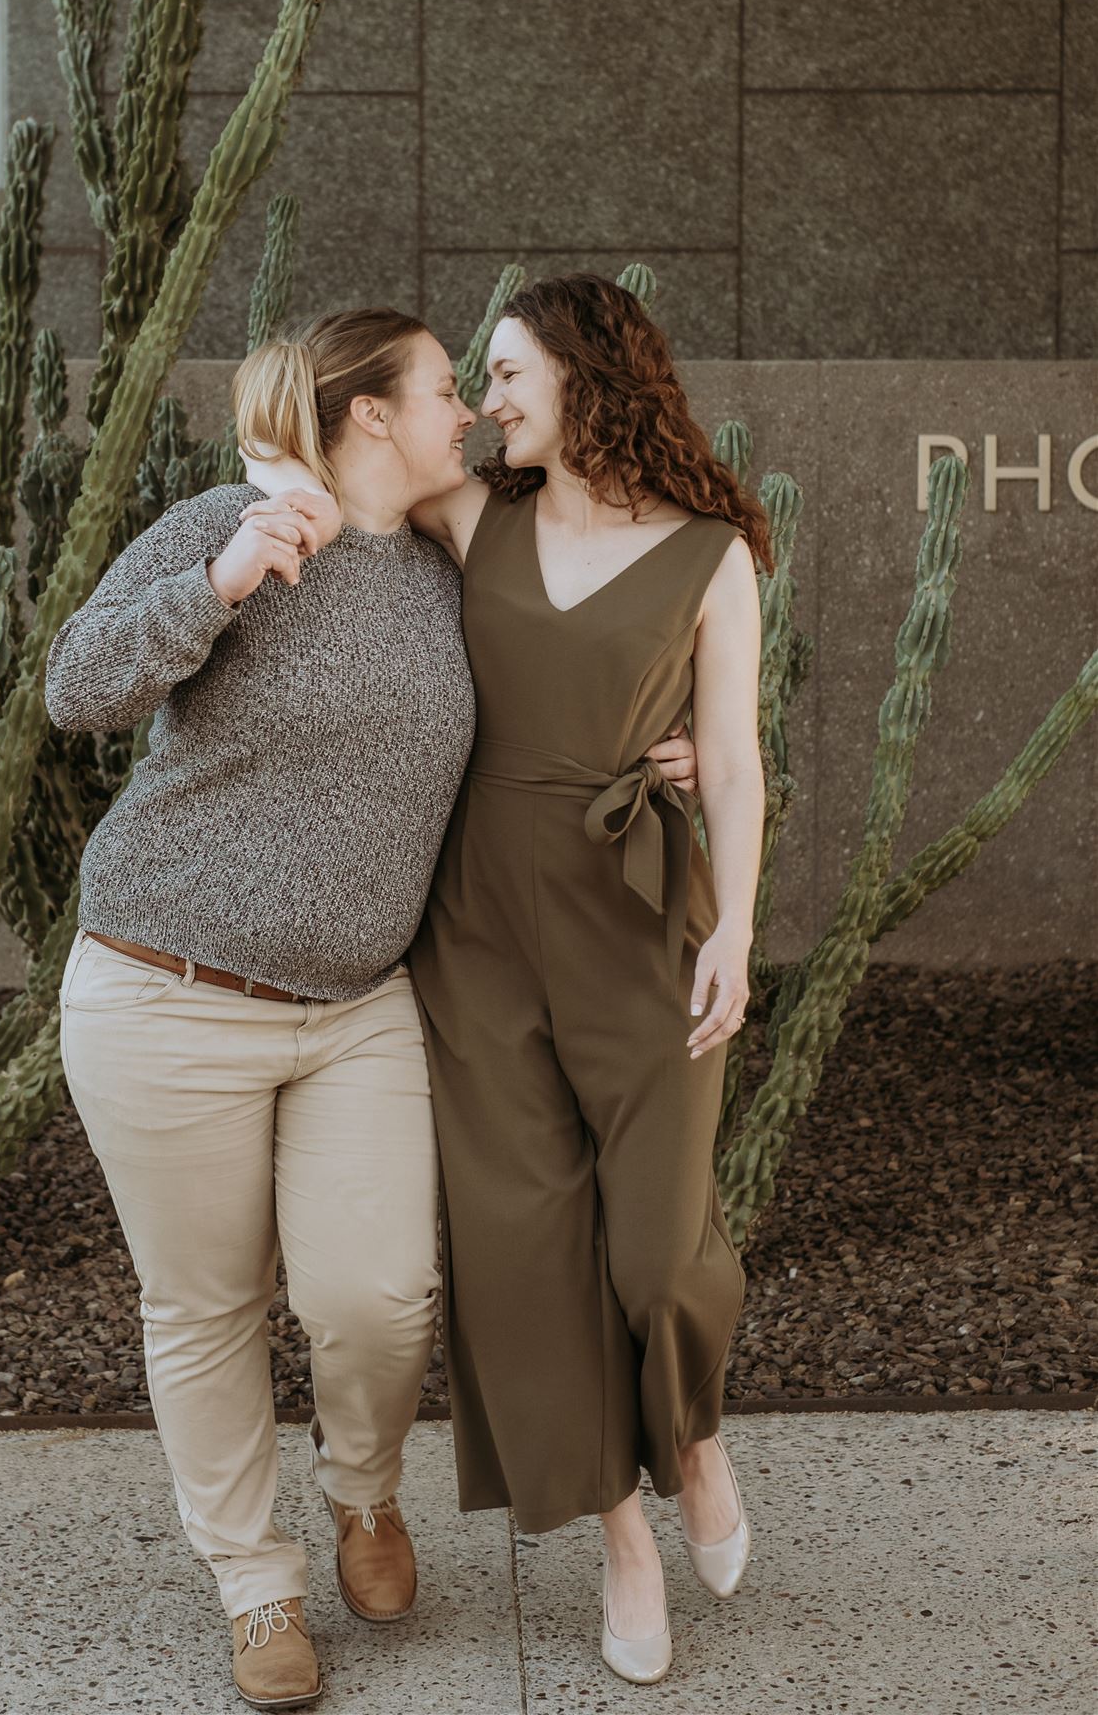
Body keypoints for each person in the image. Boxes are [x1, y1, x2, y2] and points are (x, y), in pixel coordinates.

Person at [45, 302, 700, 1711]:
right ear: (370, 418)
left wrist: (667, 744)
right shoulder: (234, 520)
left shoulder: (456, 561)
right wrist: (216, 582)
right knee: (206, 1308)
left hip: (357, 1006)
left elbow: (560, 674)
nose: (462, 409)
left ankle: (363, 1496)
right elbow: (75, 685)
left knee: (379, 1297)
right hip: (164, 992)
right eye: (439, 389)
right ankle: (254, 1591)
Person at [246, 272, 768, 1685]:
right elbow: (321, 444)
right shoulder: (473, 517)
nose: (484, 403)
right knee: (526, 1257)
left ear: (590, 381)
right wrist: (254, 484)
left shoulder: (710, 554)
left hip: (641, 915)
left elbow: (727, 755)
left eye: (512, 375)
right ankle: (621, 1542)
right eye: (477, 378)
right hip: (476, 936)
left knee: (656, 1247)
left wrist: (733, 930)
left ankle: (696, 1440)